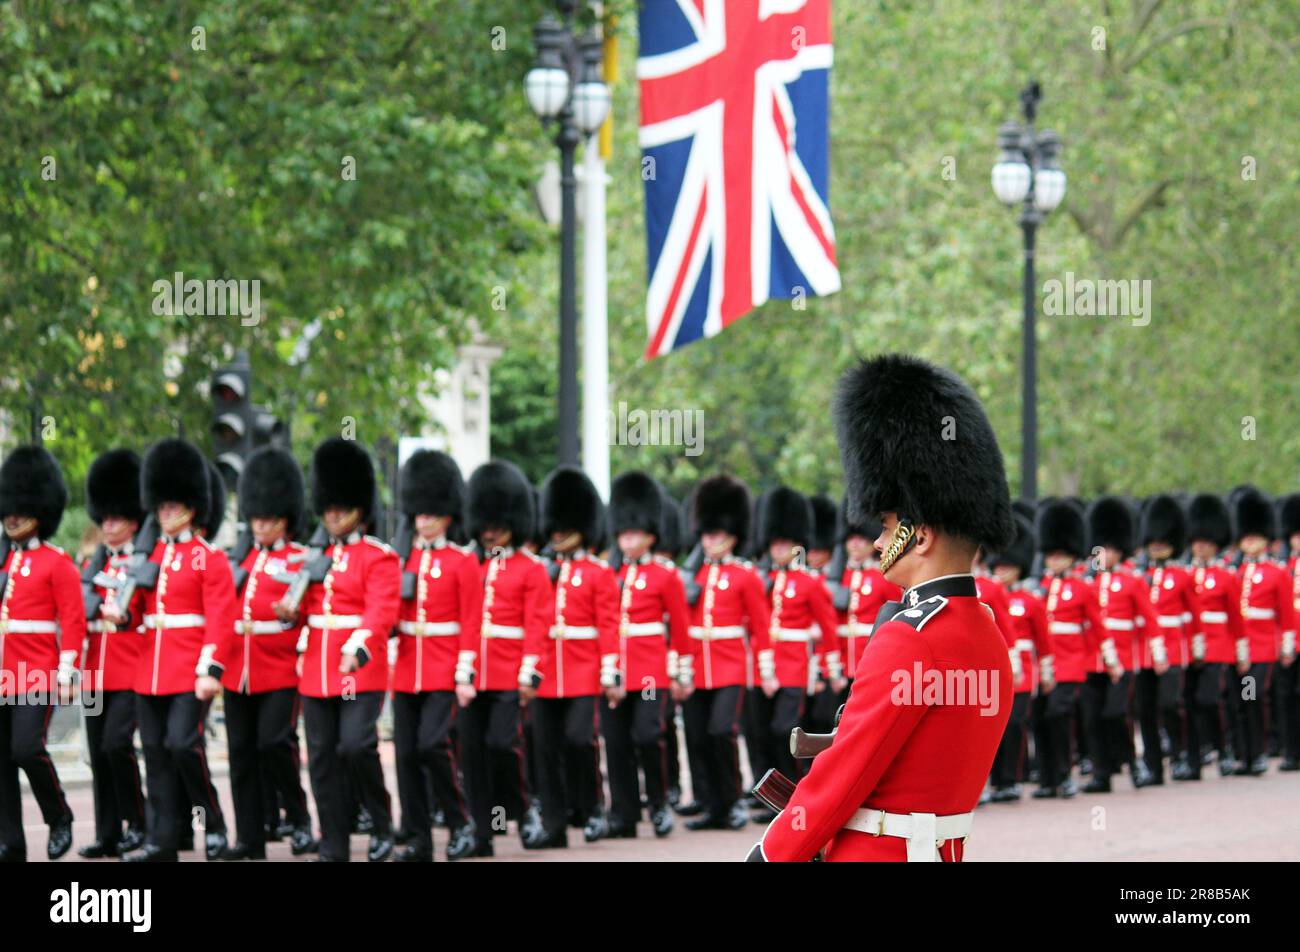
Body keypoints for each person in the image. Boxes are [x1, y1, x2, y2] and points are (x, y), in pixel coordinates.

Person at [749, 353, 1013, 862]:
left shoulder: (911, 637)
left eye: (889, 526)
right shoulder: (985, 632)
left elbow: (845, 771)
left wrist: (771, 852)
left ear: (921, 536)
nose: (877, 540)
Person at [123, 438, 237, 862]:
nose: (166, 513)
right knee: (154, 751)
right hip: (149, 668)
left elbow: (220, 618)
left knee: (183, 745)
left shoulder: (209, 558)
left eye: (174, 506)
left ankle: (214, 823)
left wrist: (211, 669)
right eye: (162, 506)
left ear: (191, 508)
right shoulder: (149, 554)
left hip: (189, 669)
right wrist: (125, 605)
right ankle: (161, 839)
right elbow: (138, 612)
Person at [298, 438, 401, 862]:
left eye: (341, 507)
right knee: (322, 758)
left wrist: (357, 647)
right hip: (316, 670)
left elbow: (381, 611)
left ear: (359, 508)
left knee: (356, 745)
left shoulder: (378, 557)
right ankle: (334, 842)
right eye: (328, 507)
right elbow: (306, 608)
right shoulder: (314, 556)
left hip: (355, 669)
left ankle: (380, 823)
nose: (333, 515)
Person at [221, 447, 317, 859]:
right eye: (256, 517)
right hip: (238, 667)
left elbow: (311, 610)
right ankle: (250, 838)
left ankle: (298, 816)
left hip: (278, 666)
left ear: (285, 518)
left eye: (268, 518)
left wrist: (292, 614)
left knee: (274, 743)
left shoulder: (300, 560)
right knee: (242, 753)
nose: (260, 524)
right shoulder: (239, 558)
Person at [458, 461, 553, 857]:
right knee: (472, 754)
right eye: (486, 526)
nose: (489, 533)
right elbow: (463, 618)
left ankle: (523, 808)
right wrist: (461, 669)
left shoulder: (531, 570)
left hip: (508, 674)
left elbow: (538, 624)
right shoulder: (469, 565)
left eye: (497, 526)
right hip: (472, 674)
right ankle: (483, 830)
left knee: (502, 745)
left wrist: (530, 671)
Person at [390, 449, 480, 861]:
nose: (422, 519)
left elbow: (471, 621)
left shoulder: (462, 562)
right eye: (418, 512)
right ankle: (419, 839)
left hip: (444, 668)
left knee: (432, 745)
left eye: (430, 512)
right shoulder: (401, 558)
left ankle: (460, 822)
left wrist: (465, 672)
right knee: (406, 754)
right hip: (407, 667)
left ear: (446, 514)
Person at [524, 466, 620, 848]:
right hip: (547, 671)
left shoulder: (597, 572)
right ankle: (554, 823)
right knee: (544, 747)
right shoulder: (541, 571)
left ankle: (593, 808)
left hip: (582, 670)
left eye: (565, 526)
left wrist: (610, 673)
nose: (558, 533)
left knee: (580, 740)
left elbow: (609, 625)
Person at [0, 446, 83, 862]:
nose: (12, 516)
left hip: (36, 672)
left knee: (27, 748)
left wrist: (67, 673)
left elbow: (73, 623)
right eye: (8, 509)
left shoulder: (57, 563)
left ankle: (60, 814)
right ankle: (10, 842)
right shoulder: (2, 562)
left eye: (20, 509)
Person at [603, 471, 691, 838]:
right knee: (616, 742)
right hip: (617, 671)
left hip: (652, 674)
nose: (628, 539)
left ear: (650, 536)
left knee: (647, 735)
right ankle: (624, 812)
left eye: (634, 533)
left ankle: (658, 805)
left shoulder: (665, 575)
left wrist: (681, 672)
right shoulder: (608, 573)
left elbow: (681, 627)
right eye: (623, 533)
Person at [683, 474, 772, 832]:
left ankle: (732, 801)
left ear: (733, 535)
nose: (711, 540)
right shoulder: (692, 574)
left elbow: (761, 626)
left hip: (730, 667)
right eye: (707, 534)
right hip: (696, 668)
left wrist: (765, 670)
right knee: (696, 735)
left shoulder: (746, 575)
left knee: (721, 731)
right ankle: (710, 804)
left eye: (718, 534)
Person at [750, 486, 839, 813]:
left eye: (785, 544)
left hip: (794, 667)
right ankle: (767, 794)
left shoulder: (809, 583)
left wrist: (831, 670)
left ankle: (793, 795)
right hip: (764, 666)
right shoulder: (761, 579)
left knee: (784, 732)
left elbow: (828, 629)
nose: (779, 550)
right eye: (775, 544)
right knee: (761, 732)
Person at [78, 449, 147, 858]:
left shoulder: (143, 562)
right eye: (103, 519)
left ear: (134, 520)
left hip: (129, 667)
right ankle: (107, 832)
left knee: (116, 744)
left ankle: (138, 822)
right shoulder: (94, 562)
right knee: (97, 754)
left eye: (115, 519)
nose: (107, 525)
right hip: (94, 670)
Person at [1034, 498, 1110, 799]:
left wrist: (1108, 661)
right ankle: (1047, 777)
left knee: (1058, 715)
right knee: (1041, 718)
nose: (1054, 561)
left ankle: (1064, 775)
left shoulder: (1082, 588)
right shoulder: (1039, 587)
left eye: (1060, 556)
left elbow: (1097, 627)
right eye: (1050, 556)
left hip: (1072, 661)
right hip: (1046, 662)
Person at [1081, 496, 1158, 791]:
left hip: (1123, 659)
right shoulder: (1085, 583)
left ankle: (1133, 764)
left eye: (1110, 549)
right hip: (1091, 659)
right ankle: (1102, 774)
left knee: (1117, 714)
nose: (1104, 554)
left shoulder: (1132, 581)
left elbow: (1148, 619)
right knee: (1092, 719)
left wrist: (1157, 653)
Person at [985, 513, 1049, 802]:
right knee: (991, 728)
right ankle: (995, 780)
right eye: (999, 565)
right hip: (991, 667)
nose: (1002, 571)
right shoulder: (985, 591)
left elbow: (1043, 641)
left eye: (1008, 566)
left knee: (1014, 726)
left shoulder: (1030, 599)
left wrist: (1045, 672)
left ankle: (1012, 778)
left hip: (1020, 668)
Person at [1136, 495, 1200, 785]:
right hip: (1144, 652)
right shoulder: (1140, 576)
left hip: (1174, 649)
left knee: (1171, 705)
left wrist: (1197, 648)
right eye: (1153, 540)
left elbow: (1194, 615)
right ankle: (1153, 766)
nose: (1157, 544)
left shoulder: (1182, 577)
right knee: (1145, 709)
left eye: (1163, 540)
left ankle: (1183, 756)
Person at [1231, 487, 1294, 776]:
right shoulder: (1235, 572)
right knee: (1239, 702)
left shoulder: (1276, 573)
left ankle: (1259, 753)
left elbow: (1286, 614)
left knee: (1253, 697)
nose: (1249, 541)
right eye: (1246, 537)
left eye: (1254, 536)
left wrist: (1286, 646)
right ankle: (1245, 755)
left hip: (1263, 644)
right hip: (1239, 646)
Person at [1185, 493, 1244, 776]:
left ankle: (1223, 750)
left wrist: (1240, 653)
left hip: (1218, 645)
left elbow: (1235, 617)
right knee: (1190, 703)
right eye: (1197, 542)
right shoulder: (1184, 575)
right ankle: (1194, 759)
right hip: (1190, 645)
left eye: (1205, 543)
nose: (1200, 547)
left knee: (1211, 700)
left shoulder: (1226, 576)